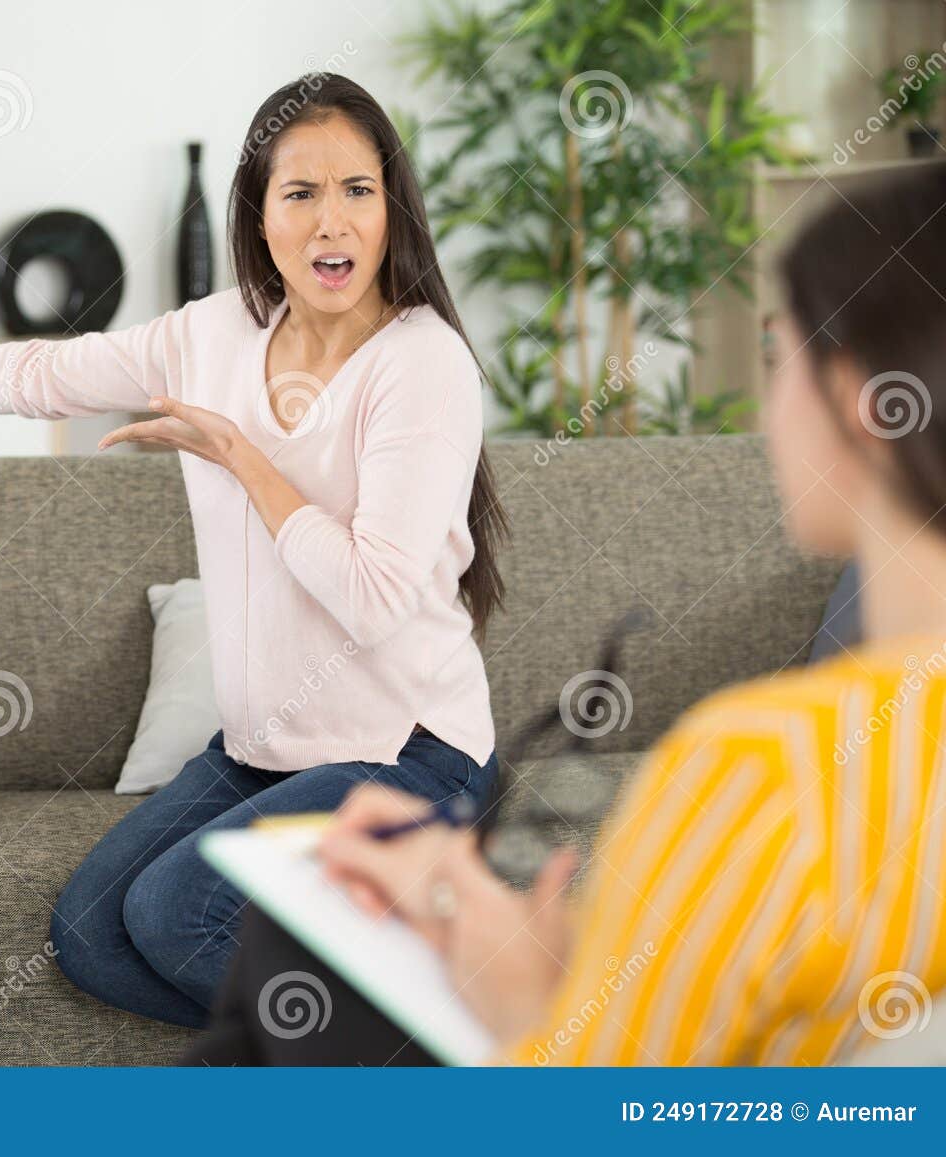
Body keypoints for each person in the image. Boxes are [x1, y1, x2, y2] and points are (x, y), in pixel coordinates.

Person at [192, 161, 946, 1065]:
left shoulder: (771, 765)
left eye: (779, 352)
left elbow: (605, 1109)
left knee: (287, 947)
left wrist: (521, 1001)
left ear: (864, 406)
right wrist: (544, 951)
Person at [0, 72, 506, 1025]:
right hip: (267, 750)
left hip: (412, 755)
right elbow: (46, 371)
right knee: (91, 933)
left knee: (176, 913)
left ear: (393, 208)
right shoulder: (215, 333)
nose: (332, 222)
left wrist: (243, 456)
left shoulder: (420, 361)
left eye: (358, 190)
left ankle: (416, 1060)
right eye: (300, 194)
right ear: (258, 216)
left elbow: (374, 595)